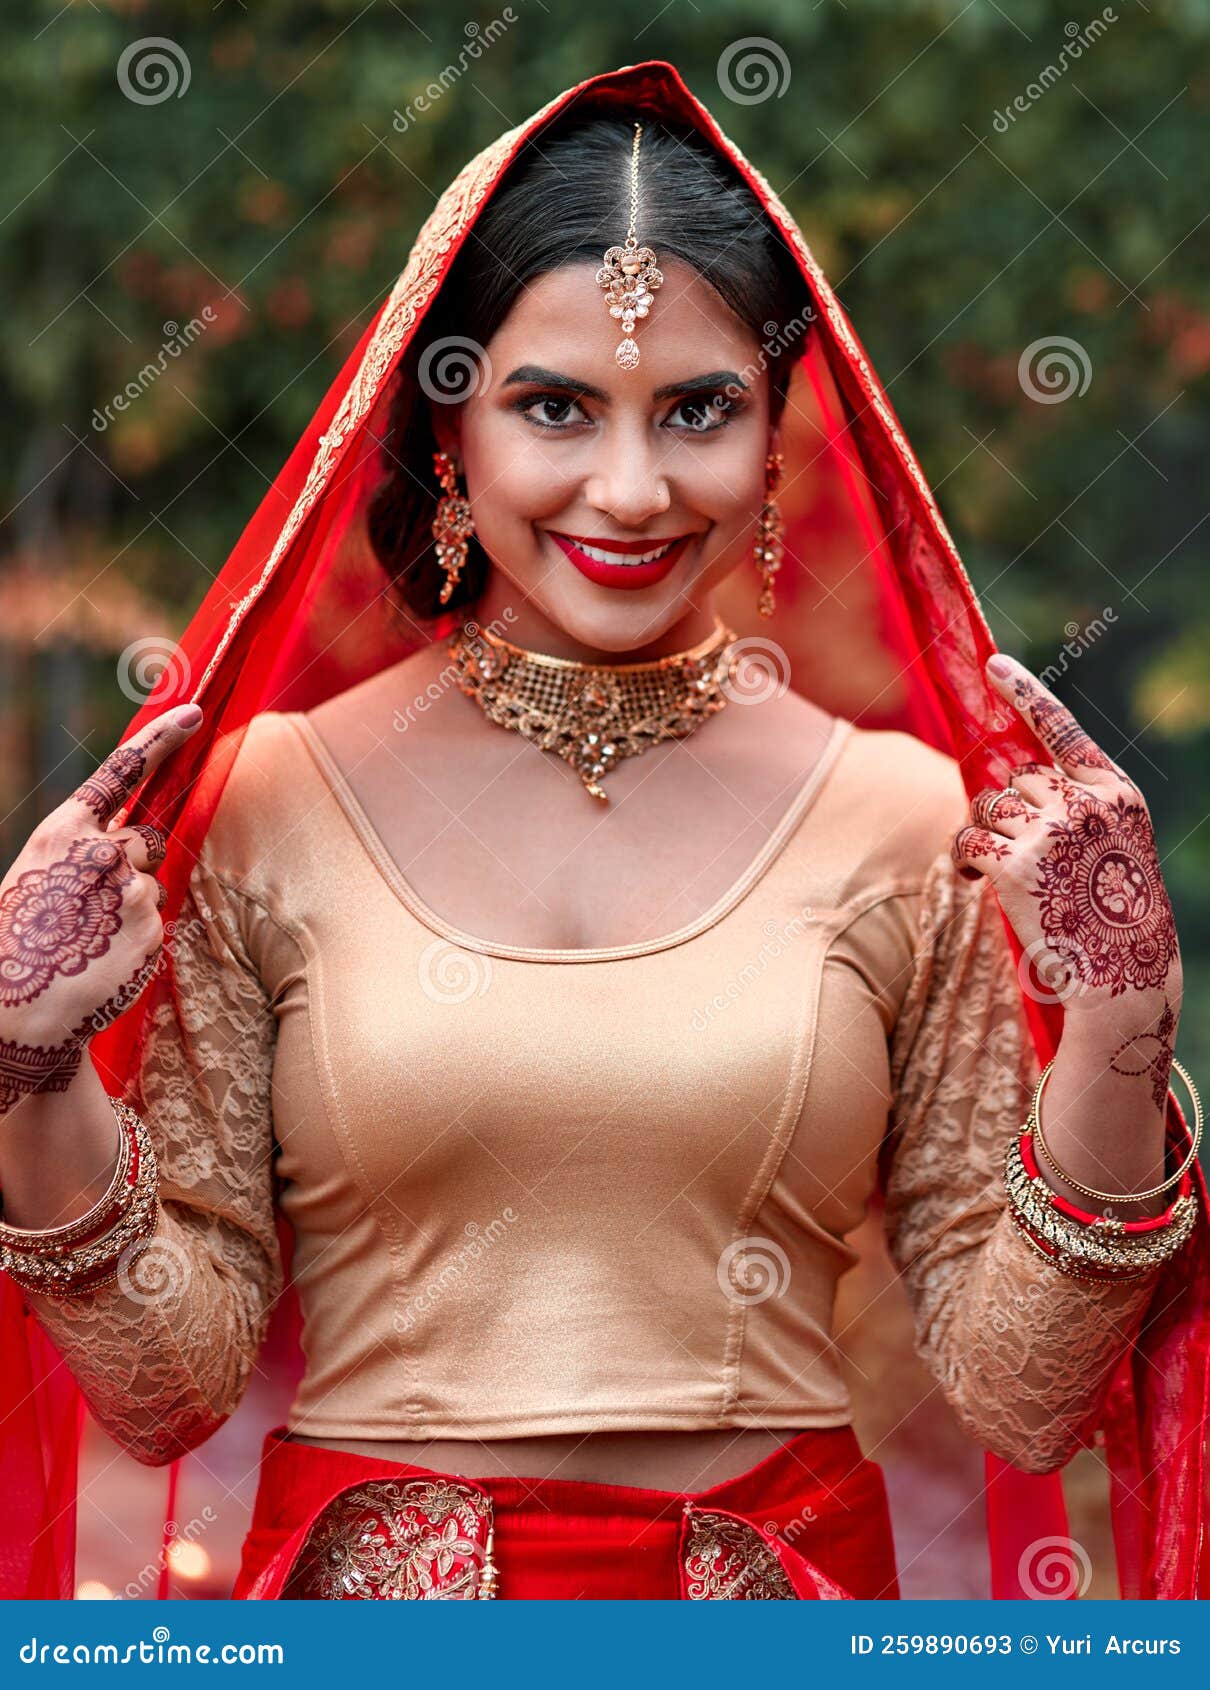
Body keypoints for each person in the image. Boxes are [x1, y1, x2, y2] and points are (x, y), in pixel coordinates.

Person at [0, 61, 1205, 1603]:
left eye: (696, 409)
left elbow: (1020, 1393)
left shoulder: (898, 814)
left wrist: (1111, 1033)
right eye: (552, 408)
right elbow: (167, 1385)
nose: (629, 490)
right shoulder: (275, 796)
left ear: (774, 437)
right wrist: (35, 1082)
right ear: (449, 432)